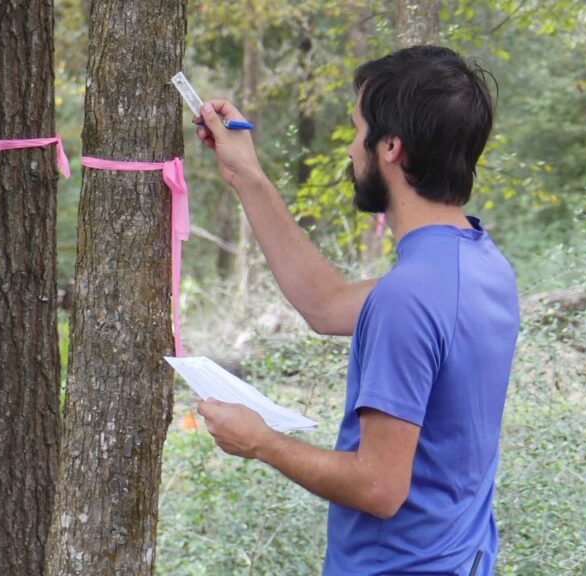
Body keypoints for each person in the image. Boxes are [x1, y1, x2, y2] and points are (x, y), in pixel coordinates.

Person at [194, 45, 520, 575]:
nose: (350, 149)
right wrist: (246, 176)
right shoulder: (481, 265)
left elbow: (378, 486)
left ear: (391, 147)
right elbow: (326, 305)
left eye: (356, 129)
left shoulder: (407, 297)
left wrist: (262, 442)